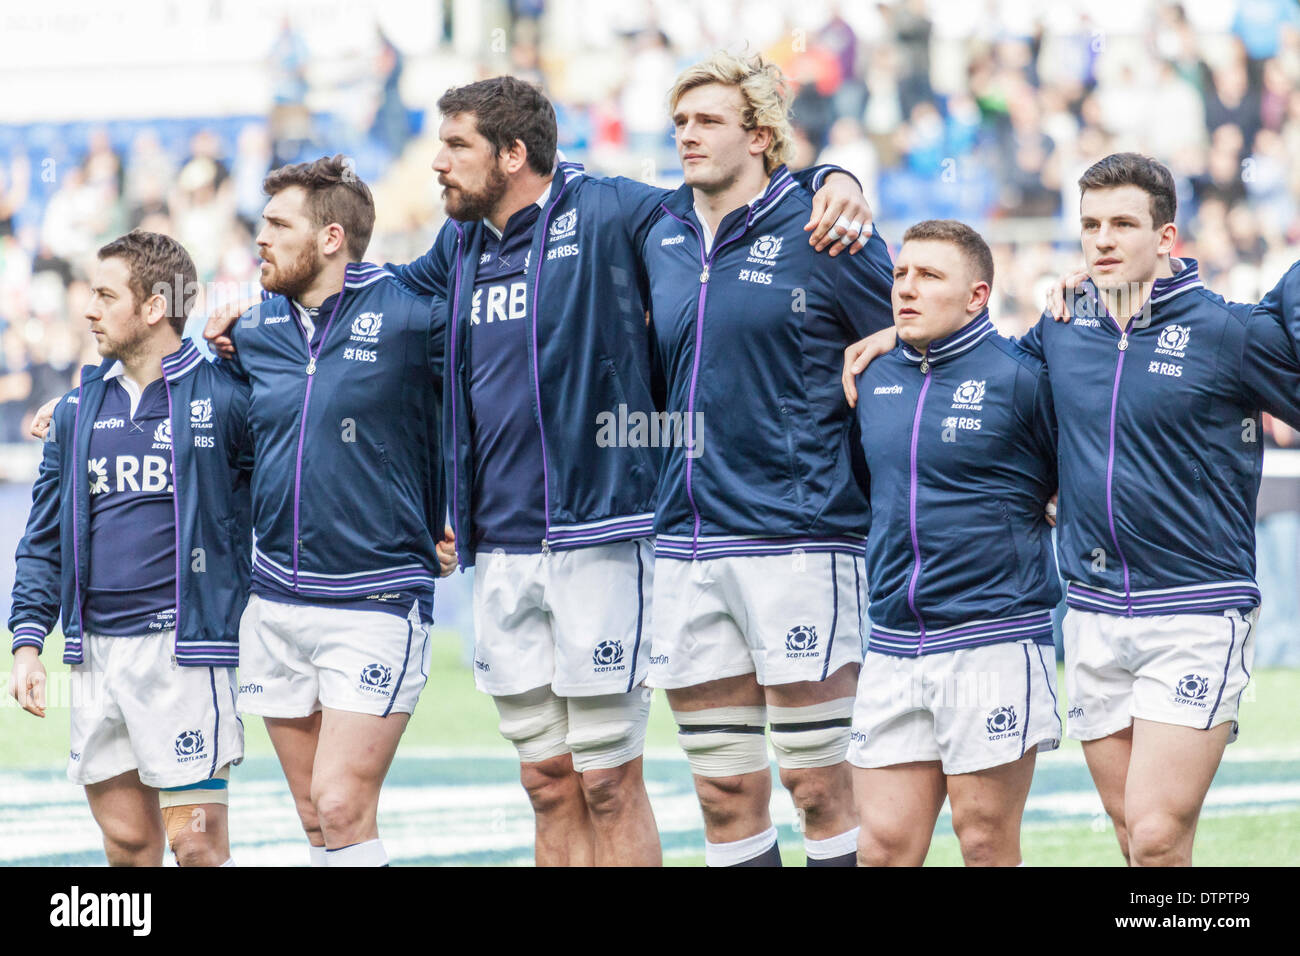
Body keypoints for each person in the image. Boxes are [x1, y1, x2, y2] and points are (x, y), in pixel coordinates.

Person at [190, 75, 872, 867]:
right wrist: (263, 306)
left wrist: (833, 178)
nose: (437, 164)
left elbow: (730, 195)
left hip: (602, 535)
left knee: (609, 782)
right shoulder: (460, 245)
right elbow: (363, 299)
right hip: (502, 548)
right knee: (547, 782)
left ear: (514, 154)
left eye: (456, 147)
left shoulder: (613, 208)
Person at [845, 152, 1300, 866]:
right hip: (1090, 613)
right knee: (1134, 839)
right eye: (1091, 225)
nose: (1104, 240)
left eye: (1123, 224)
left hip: (1195, 609)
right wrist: (900, 342)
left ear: (1167, 239)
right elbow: (984, 369)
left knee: (1153, 835)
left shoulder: (1227, 333)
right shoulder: (1062, 326)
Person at [641, 51, 895, 867]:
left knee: (819, 786)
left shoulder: (829, 227)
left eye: (707, 121)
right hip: (685, 544)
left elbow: (906, 340)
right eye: (679, 122)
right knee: (722, 795)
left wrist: (838, 174)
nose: (687, 136)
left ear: (760, 136)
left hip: (799, 539)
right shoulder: (660, 233)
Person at [221, 155, 446, 867]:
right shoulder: (250, 332)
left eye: (279, 225)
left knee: (344, 805)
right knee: (317, 819)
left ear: (330, 238)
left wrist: (459, 509)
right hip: (274, 601)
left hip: (374, 600)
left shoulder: (412, 311)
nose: (261, 238)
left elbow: (487, 400)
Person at [8, 230, 250, 866]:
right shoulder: (77, 411)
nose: (88, 308)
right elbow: (43, 539)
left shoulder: (223, 395)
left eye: (105, 295)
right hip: (93, 658)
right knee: (129, 846)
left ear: (152, 308)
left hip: (184, 654)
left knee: (197, 846)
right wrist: (28, 646)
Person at [849, 219, 1061, 866]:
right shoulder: (873, 376)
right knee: (882, 848)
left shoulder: (1024, 377)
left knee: (984, 841)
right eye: (902, 274)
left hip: (991, 641)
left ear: (977, 296)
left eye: (930, 276)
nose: (906, 288)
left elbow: (1079, 476)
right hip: (890, 643)